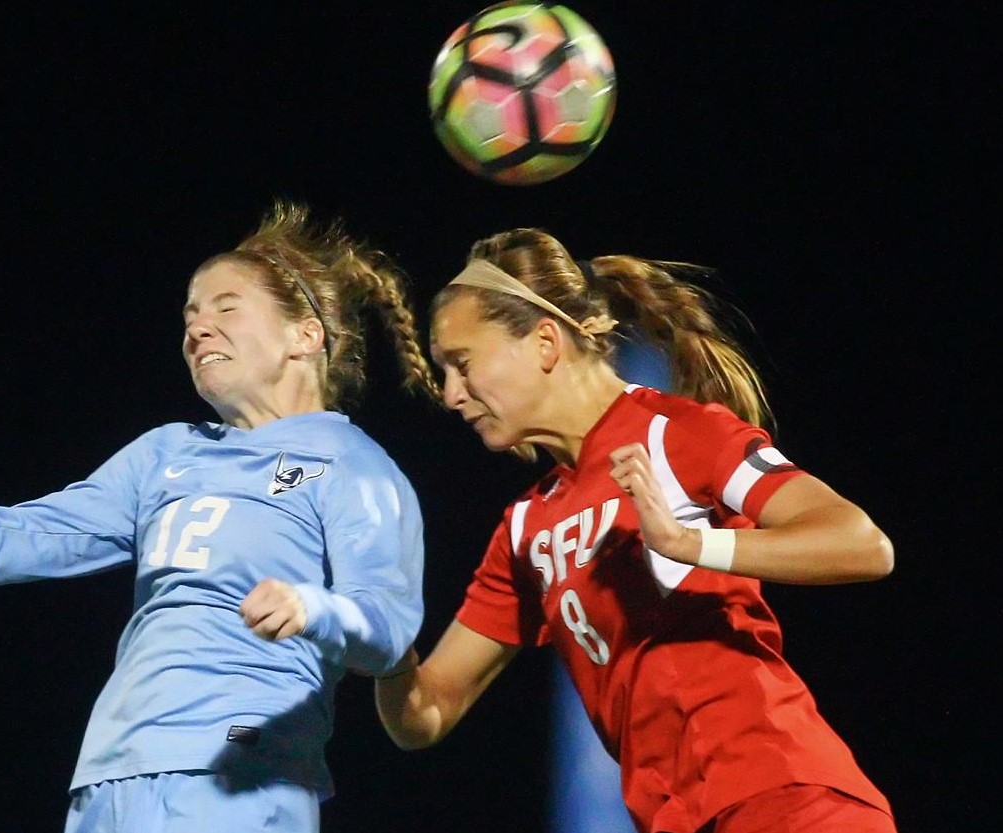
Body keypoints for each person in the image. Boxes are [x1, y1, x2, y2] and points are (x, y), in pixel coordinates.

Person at [0, 202, 440, 833]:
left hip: (241, 781)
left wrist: (314, 608)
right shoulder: (166, 454)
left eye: (226, 307)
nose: (198, 326)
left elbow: (388, 628)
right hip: (109, 778)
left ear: (304, 334)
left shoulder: (354, 464)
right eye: (189, 314)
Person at [374, 228, 897, 833]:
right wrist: (382, 637)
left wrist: (690, 544)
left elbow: (860, 544)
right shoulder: (525, 527)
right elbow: (427, 711)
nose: (452, 394)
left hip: (784, 797)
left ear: (545, 342)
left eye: (462, 365)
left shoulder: (675, 433)